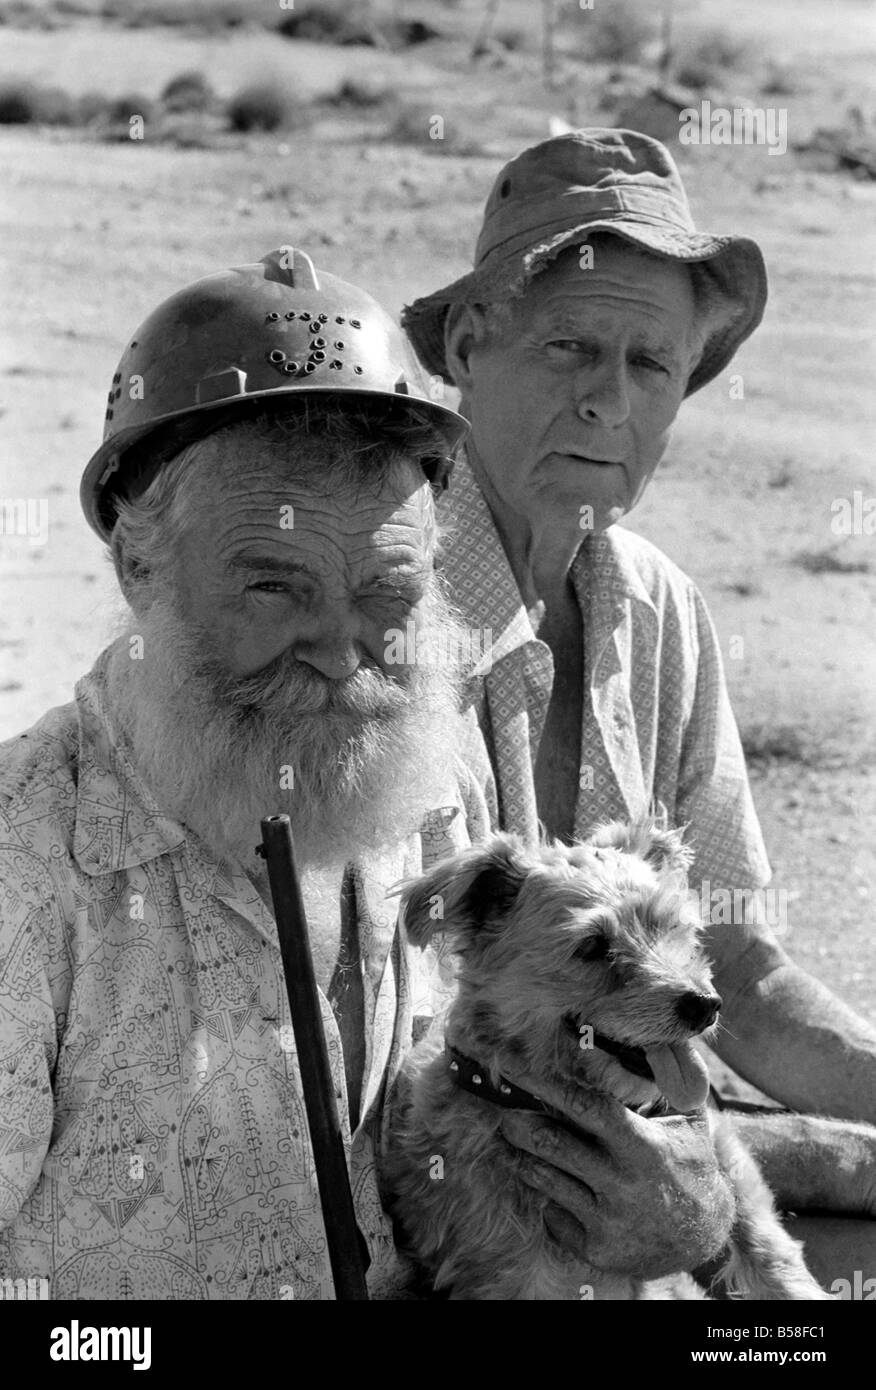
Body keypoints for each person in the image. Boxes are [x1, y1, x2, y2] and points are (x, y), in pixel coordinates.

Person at [403, 129, 876, 1284]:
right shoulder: (376, 601)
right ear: (470, 344)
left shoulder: (655, 601)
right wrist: (779, 1164)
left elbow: (731, 964)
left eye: (651, 366)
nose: (609, 401)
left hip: (634, 1131)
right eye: (570, 345)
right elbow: (401, 1049)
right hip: (449, 1183)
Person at [0, 246, 496, 1300]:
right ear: (140, 565)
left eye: (387, 593)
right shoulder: (25, 863)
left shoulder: (428, 786)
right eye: (274, 587)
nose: (337, 647)